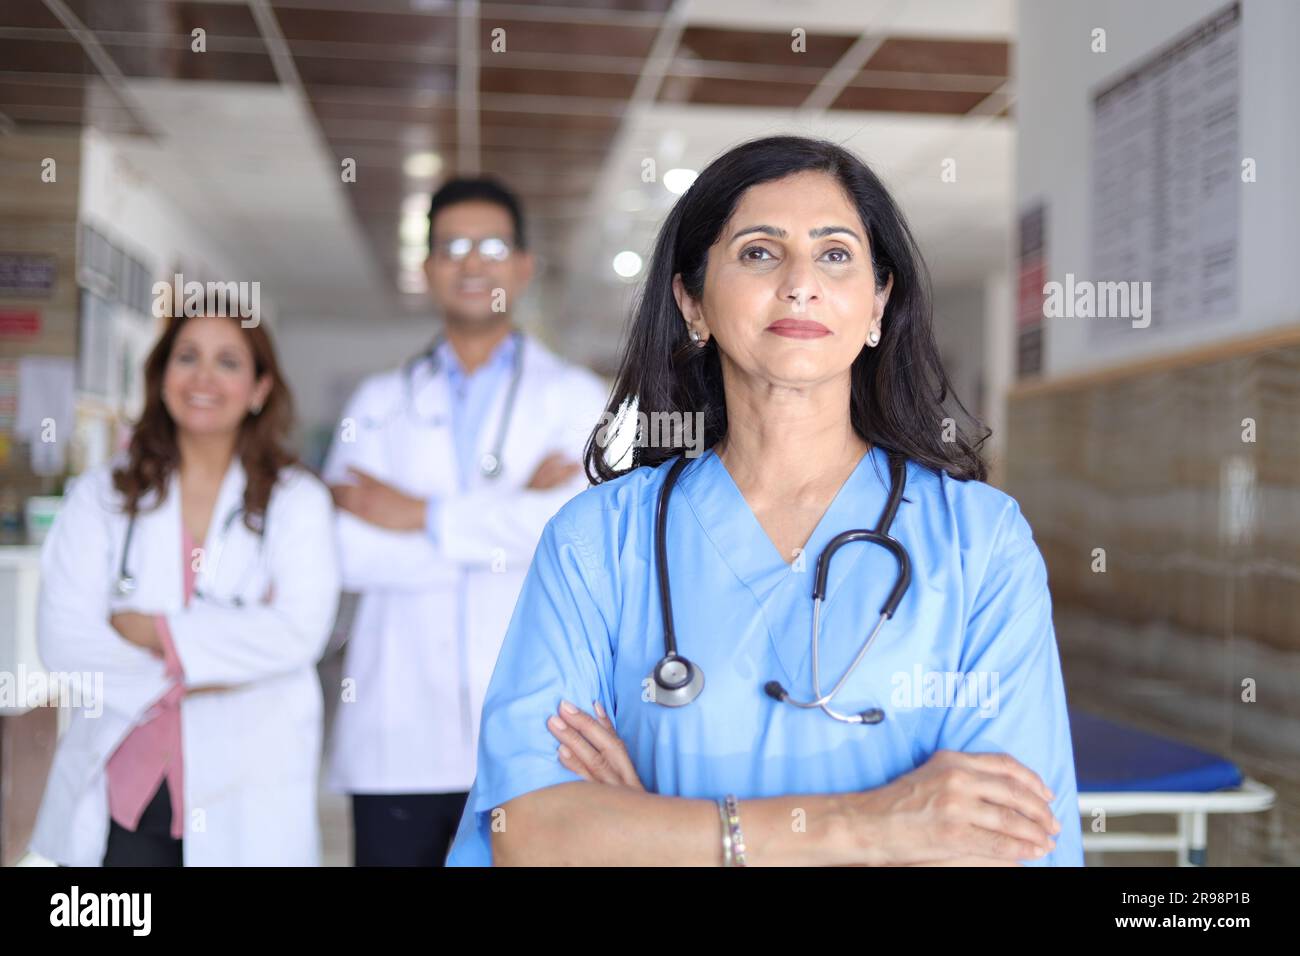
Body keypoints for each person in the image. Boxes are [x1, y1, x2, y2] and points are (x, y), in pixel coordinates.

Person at [445, 135, 1084, 866]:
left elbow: (1010, 842)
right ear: (692, 301)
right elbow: (530, 835)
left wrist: (651, 829)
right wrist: (873, 826)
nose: (800, 282)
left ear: (879, 302)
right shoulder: (599, 540)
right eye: (758, 252)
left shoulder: (980, 543)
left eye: (836, 253)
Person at [322, 177, 608, 866]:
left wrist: (417, 515)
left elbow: (581, 537)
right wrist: (512, 516)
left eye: (490, 246)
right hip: (398, 734)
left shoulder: (577, 398)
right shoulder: (379, 401)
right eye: (451, 247)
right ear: (426, 271)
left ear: (523, 266)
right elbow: (345, 552)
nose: (472, 263)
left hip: (536, 730)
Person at [31, 308, 340, 866]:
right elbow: (63, 638)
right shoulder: (101, 495)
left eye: (228, 362)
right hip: (125, 782)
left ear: (259, 388)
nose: (203, 378)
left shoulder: (297, 501)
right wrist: (202, 669)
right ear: (161, 377)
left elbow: (298, 633)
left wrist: (155, 632)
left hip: (248, 785)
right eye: (187, 357)